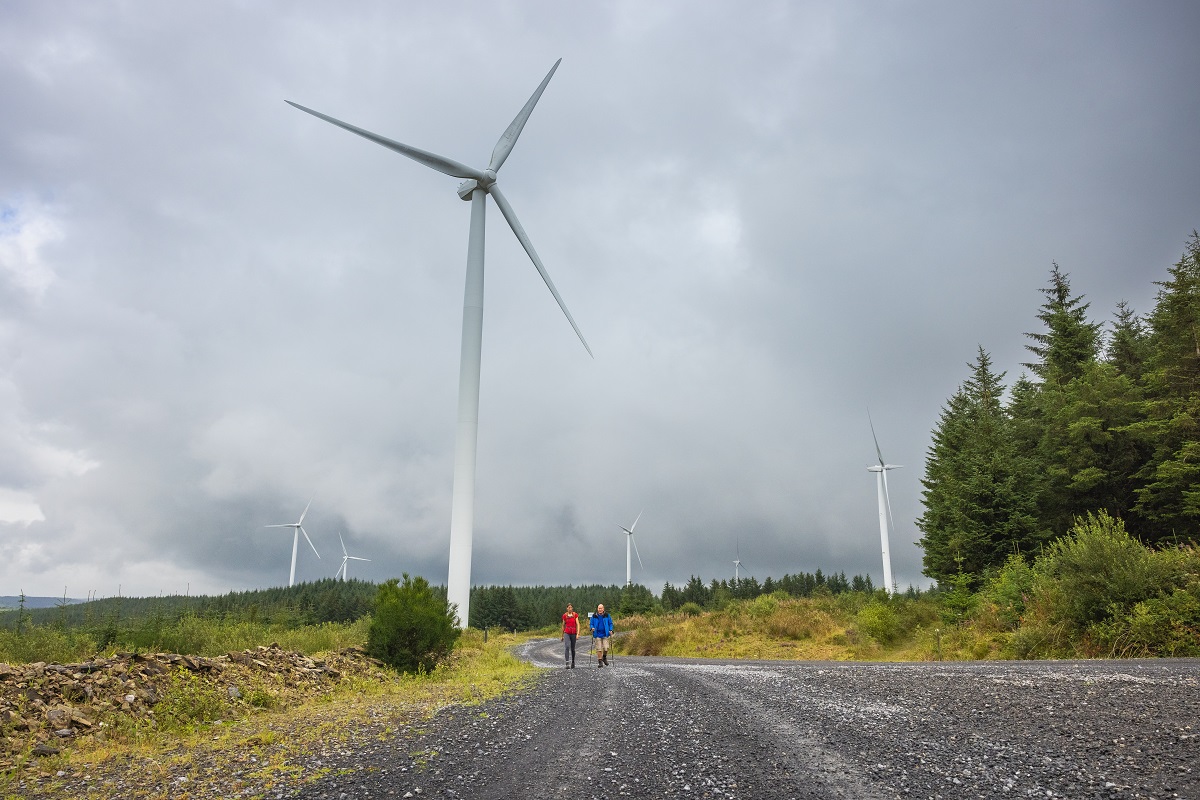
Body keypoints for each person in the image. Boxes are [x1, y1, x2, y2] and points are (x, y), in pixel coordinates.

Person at [589, 603, 614, 667]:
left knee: (606, 648)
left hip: (605, 634)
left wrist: (611, 630)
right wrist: (592, 628)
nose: (600, 609)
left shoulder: (607, 615)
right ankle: (600, 661)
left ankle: (604, 657)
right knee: (599, 648)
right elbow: (591, 624)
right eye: (599, 608)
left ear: (603, 609)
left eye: (601, 608)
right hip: (597, 634)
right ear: (597, 609)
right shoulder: (594, 616)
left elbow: (610, 623)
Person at [561, 603, 579, 669]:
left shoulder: (575, 615)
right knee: (567, 646)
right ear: (567, 608)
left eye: (571, 607)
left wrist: (578, 633)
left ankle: (573, 662)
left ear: (572, 608)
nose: (570, 608)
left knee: (573, 648)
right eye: (569, 607)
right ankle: (567, 662)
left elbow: (578, 624)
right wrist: (562, 635)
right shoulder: (565, 616)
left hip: (573, 632)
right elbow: (563, 625)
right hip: (567, 632)